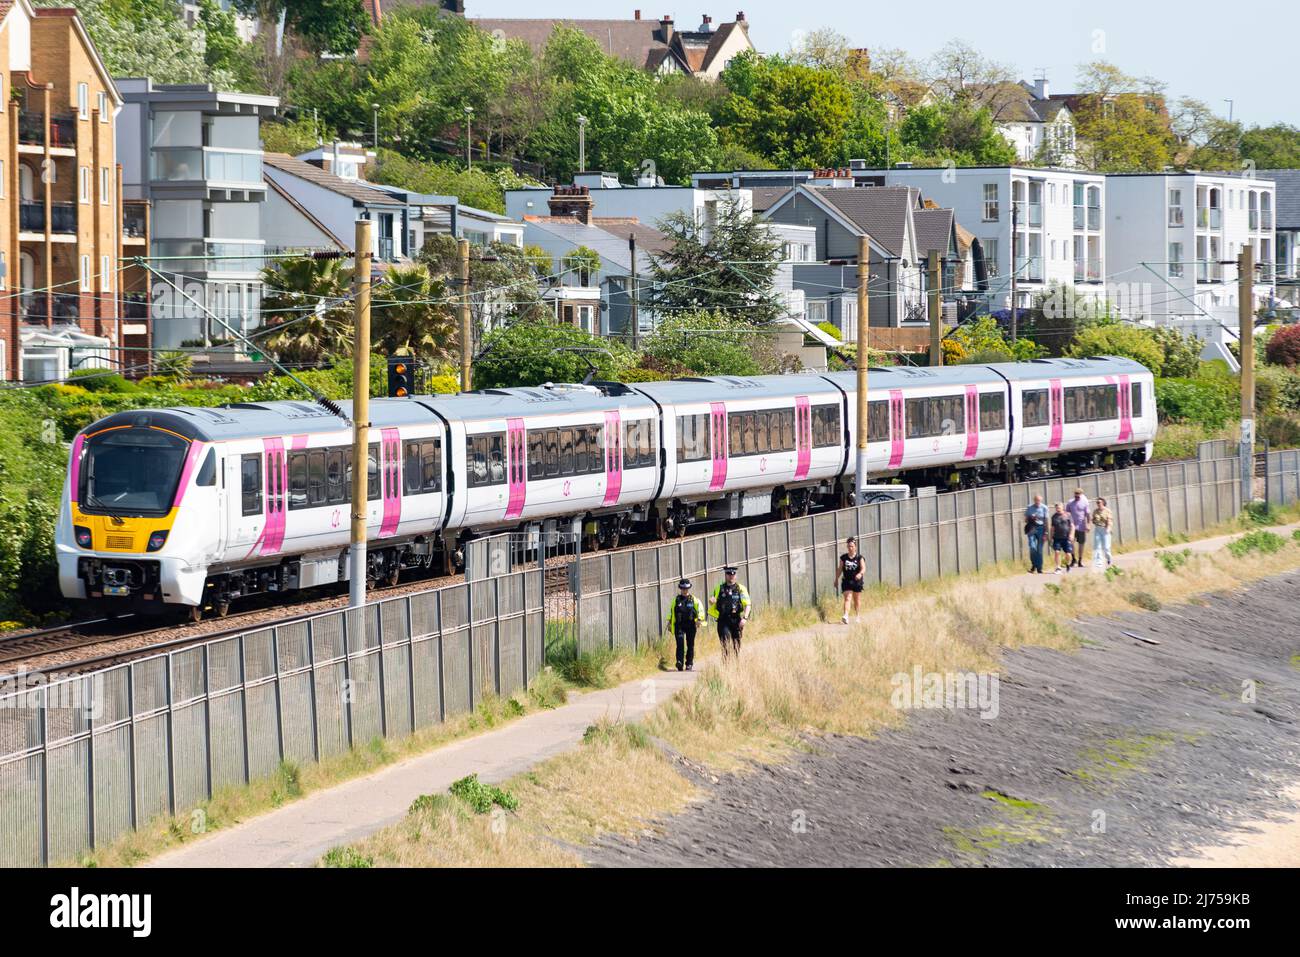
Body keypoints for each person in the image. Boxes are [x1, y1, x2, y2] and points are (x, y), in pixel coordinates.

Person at [709, 566, 751, 660]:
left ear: (735, 575)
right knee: (725, 642)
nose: (731, 576)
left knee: (737, 644)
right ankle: (726, 664)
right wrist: (712, 601)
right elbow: (713, 599)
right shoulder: (719, 588)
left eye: (733, 574)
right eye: (729, 574)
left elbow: (748, 604)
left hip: (736, 620)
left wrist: (745, 618)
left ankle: (735, 663)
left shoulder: (740, 588)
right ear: (725, 575)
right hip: (723, 620)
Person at [665, 578, 705, 672]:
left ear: (689, 588)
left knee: (690, 644)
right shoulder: (676, 600)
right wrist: (670, 623)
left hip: (691, 625)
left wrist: (699, 620)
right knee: (680, 644)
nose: (684, 590)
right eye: (683, 588)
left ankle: (689, 663)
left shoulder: (694, 600)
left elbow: (701, 611)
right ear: (680, 588)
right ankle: (679, 662)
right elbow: (671, 612)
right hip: (679, 625)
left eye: (686, 588)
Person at [838, 536, 865, 623]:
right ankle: (845, 615)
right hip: (847, 581)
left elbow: (863, 568)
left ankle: (857, 615)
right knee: (847, 598)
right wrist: (836, 579)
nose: (850, 548)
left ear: (855, 547)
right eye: (849, 546)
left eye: (852, 546)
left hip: (857, 581)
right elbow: (840, 569)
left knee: (856, 599)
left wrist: (860, 574)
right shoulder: (843, 558)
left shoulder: (859, 558)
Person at [1065, 487, 1091, 568]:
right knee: (1071, 542)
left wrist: (1088, 524)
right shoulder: (1070, 502)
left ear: (1081, 495)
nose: (1077, 497)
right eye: (1075, 496)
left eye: (1078, 496)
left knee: (1081, 544)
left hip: (1081, 526)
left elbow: (1088, 515)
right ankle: (1073, 559)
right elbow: (1067, 514)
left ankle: (1080, 560)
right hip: (1072, 526)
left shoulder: (1085, 502)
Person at [1023, 494, 1048, 574]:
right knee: (1032, 546)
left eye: (1039, 501)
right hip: (1032, 527)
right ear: (1034, 500)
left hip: (1041, 528)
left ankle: (1039, 568)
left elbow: (1046, 521)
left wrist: (1046, 532)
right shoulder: (1030, 507)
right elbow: (1025, 520)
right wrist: (1031, 518)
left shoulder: (1044, 508)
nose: (1038, 502)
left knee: (1039, 549)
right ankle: (1034, 565)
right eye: (1036, 501)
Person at [1050, 503, 1074, 573]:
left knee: (1068, 554)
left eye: (1059, 508)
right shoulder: (1054, 517)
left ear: (1063, 508)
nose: (1058, 509)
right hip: (1057, 538)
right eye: (1057, 508)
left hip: (1066, 538)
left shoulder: (1068, 515)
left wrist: (1071, 535)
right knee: (1057, 552)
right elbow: (1052, 528)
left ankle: (1068, 564)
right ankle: (1058, 567)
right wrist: (1051, 537)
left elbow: (1072, 526)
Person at [1092, 497, 1115, 568]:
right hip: (1097, 529)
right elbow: (1093, 520)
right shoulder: (1095, 511)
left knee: (1106, 547)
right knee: (1097, 546)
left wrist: (1108, 529)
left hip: (1105, 529)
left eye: (1099, 502)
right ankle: (1099, 562)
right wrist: (1092, 521)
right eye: (1097, 503)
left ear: (1103, 503)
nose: (1098, 504)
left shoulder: (1107, 511)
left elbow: (1110, 521)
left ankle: (1108, 557)